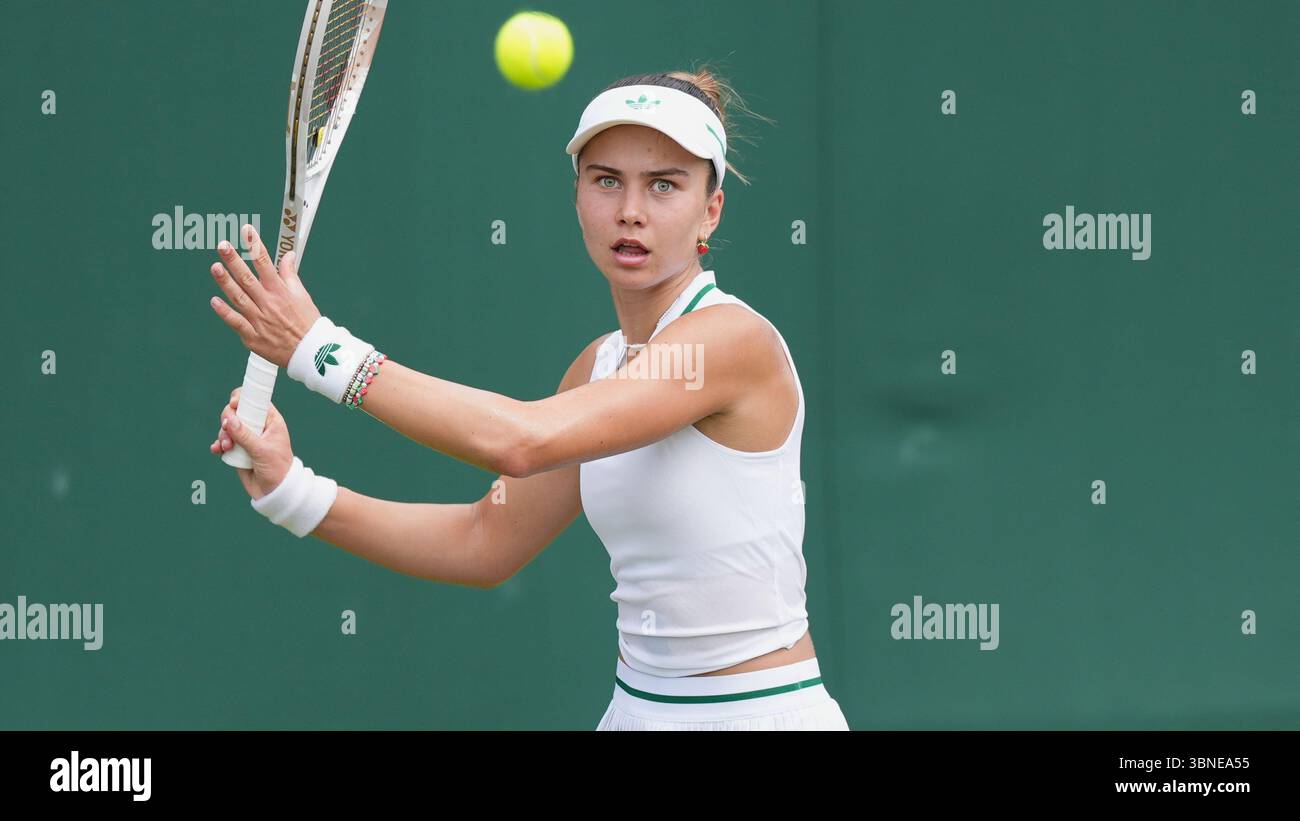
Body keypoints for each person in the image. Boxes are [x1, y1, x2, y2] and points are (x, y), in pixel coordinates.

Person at [206, 67, 849, 731]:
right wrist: (292, 492)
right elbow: (486, 540)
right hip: (636, 712)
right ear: (577, 195)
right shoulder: (599, 366)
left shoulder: (730, 340)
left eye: (664, 184)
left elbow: (520, 441)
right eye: (607, 180)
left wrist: (319, 350)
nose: (631, 210)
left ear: (710, 210)